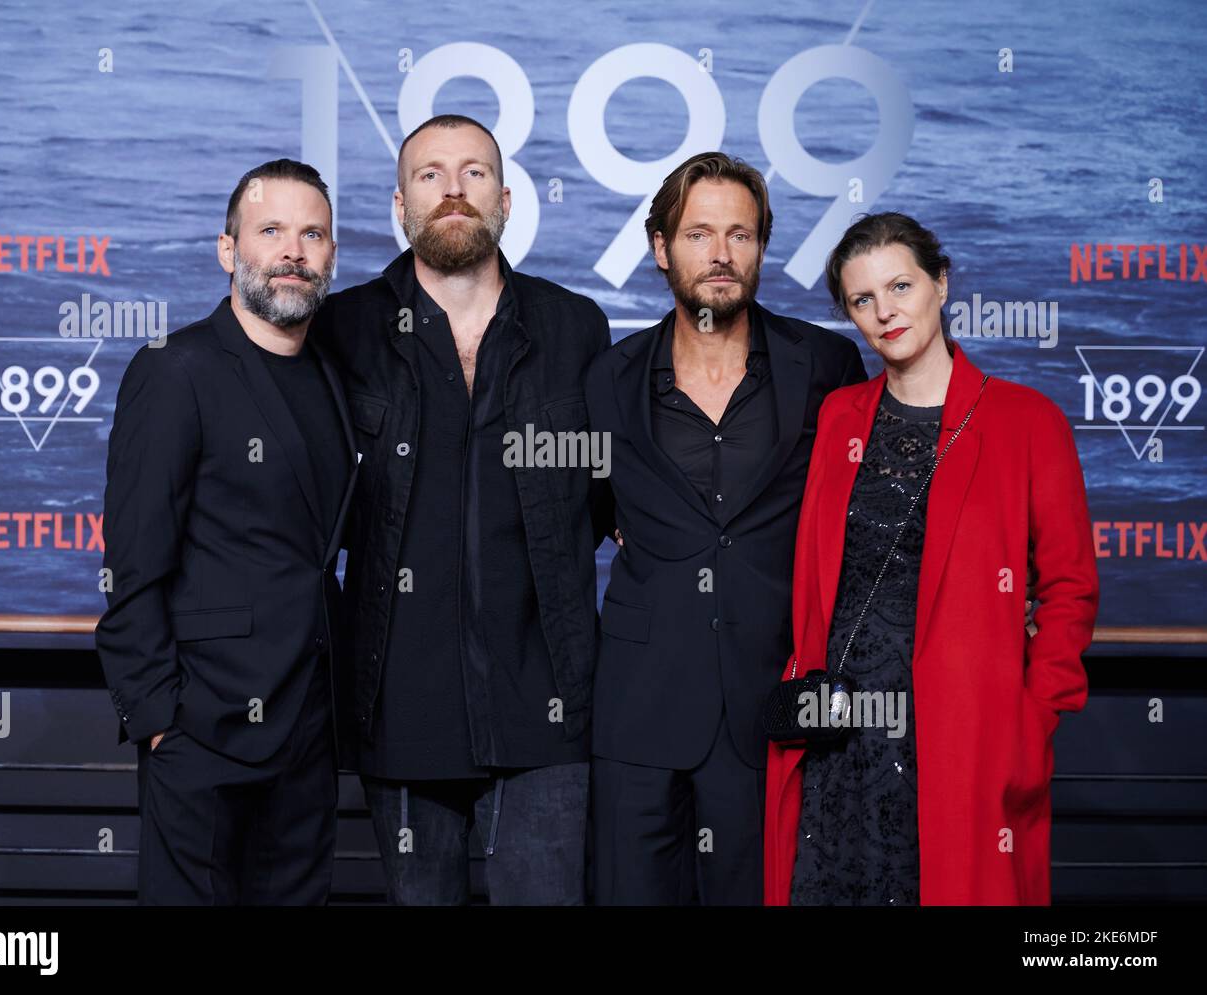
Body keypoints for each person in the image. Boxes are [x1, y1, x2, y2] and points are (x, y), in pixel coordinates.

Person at [313, 114, 610, 905]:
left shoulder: (574, 326)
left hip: (548, 702)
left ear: (507, 200)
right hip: (400, 704)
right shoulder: (343, 330)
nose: (453, 190)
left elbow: (614, 495)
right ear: (399, 205)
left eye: (474, 173)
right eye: (430, 174)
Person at [763, 212, 1099, 905]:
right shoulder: (839, 418)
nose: (885, 311)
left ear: (941, 286)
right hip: (839, 735)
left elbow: (1069, 589)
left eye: (901, 286)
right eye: (862, 300)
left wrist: (1029, 721)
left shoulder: (1028, 421)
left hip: (960, 738)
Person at [583, 152, 866, 904]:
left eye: (740, 234)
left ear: (762, 247)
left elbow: (867, 521)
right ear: (660, 247)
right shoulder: (607, 378)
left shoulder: (828, 364)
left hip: (774, 702)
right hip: (638, 710)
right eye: (699, 233)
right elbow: (586, 517)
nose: (720, 253)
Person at [97, 159, 358, 904]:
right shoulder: (176, 370)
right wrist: (159, 722)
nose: (293, 251)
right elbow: (134, 563)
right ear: (227, 249)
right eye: (270, 230)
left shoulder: (331, 376)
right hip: (202, 727)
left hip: (309, 725)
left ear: (332, 254)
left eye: (313, 234)